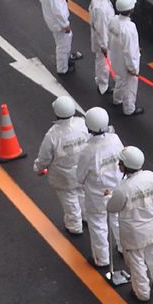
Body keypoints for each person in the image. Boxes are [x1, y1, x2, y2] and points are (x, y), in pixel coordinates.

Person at [106, 146, 153, 301]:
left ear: (127, 166)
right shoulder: (152, 177)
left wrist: (108, 197)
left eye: (121, 162)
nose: (118, 164)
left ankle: (142, 294)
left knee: (137, 263)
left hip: (134, 234)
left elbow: (112, 207)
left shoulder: (123, 188)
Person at [34, 96, 90, 236]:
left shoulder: (52, 135)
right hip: (83, 170)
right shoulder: (83, 124)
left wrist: (38, 168)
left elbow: (44, 158)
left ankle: (74, 226)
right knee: (82, 193)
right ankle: (86, 217)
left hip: (63, 176)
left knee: (69, 200)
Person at [76, 107, 124, 267]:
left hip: (96, 195)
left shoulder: (87, 150)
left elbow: (80, 176)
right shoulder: (115, 139)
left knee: (98, 225)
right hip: (117, 189)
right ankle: (124, 248)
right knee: (118, 219)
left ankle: (102, 259)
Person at [41, 0, 83, 75]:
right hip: (59, 25)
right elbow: (58, 12)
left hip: (53, 22)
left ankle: (65, 60)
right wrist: (65, 25)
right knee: (63, 46)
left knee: (63, 43)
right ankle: (63, 69)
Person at [109, 0, 143, 116]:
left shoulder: (114, 20)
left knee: (120, 80)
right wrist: (132, 68)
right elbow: (129, 50)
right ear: (131, 10)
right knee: (130, 86)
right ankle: (129, 109)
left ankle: (117, 99)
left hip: (116, 58)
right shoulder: (129, 27)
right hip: (126, 63)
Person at [90, 0, 117, 95]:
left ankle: (100, 81)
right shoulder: (102, 8)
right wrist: (104, 45)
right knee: (104, 64)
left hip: (101, 37)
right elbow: (102, 28)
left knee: (101, 61)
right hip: (103, 40)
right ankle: (103, 86)